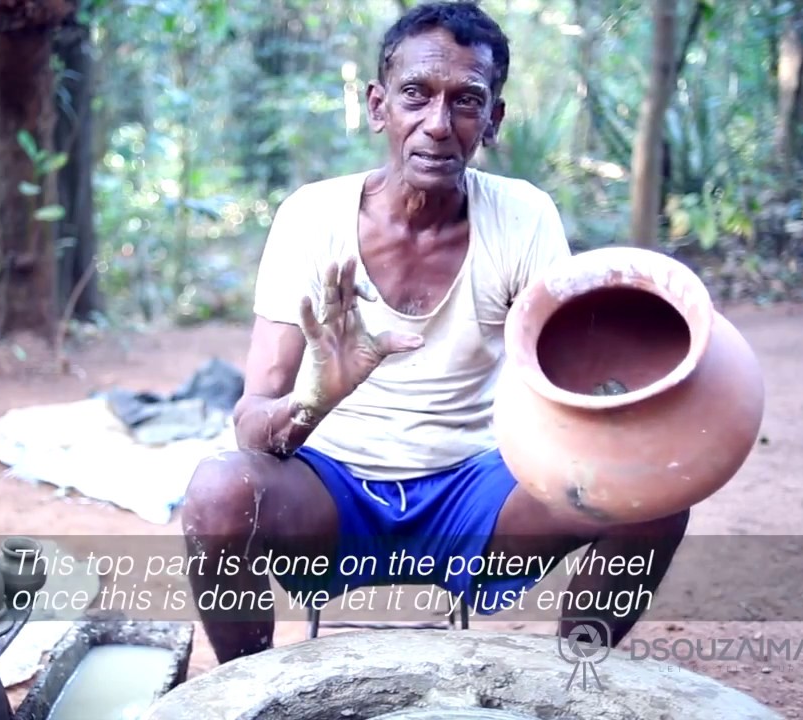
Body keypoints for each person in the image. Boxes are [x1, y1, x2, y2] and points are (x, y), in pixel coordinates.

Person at [181, 0, 689, 664]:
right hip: (331, 494)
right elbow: (250, 427)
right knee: (216, 497)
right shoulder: (311, 217)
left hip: (477, 494)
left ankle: (575, 683)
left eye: (467, 101)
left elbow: (566, 384)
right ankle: (247, 690)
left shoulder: (525, 217)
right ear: (377, 106)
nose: (438, 125)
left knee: (652, 496)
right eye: (416, 95)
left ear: (495, 119)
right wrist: (318, 398)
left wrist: (610, 394)